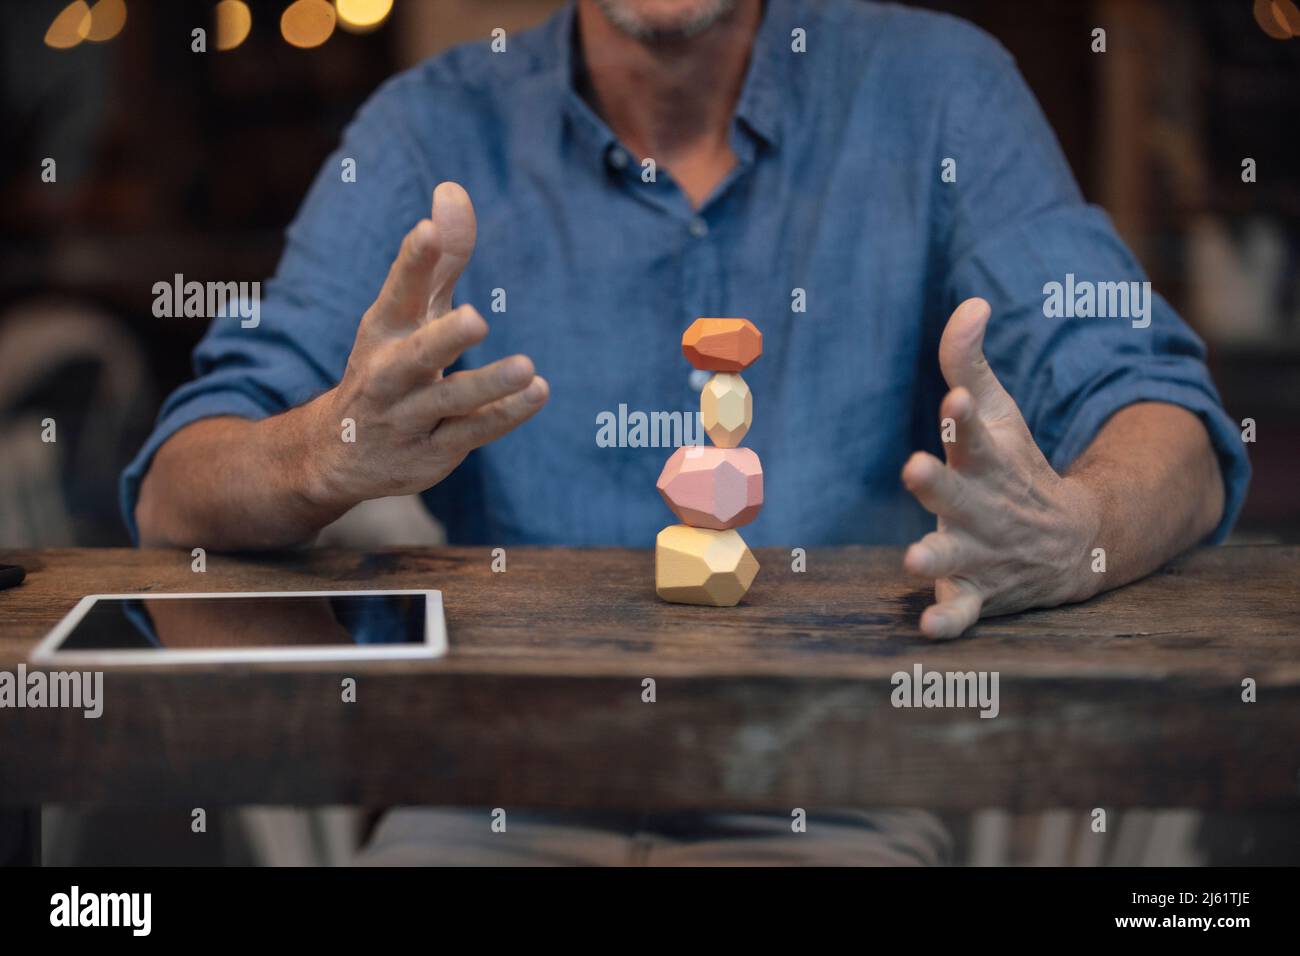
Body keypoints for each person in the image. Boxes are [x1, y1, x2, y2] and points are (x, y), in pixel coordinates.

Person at [123, 0, 1248, 864]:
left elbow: (1164, 416)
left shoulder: (938, 91)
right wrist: (319, 452)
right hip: (482, 796)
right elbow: (176, 489)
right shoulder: (427, 127)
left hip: (843, 789)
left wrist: (1076, 524)